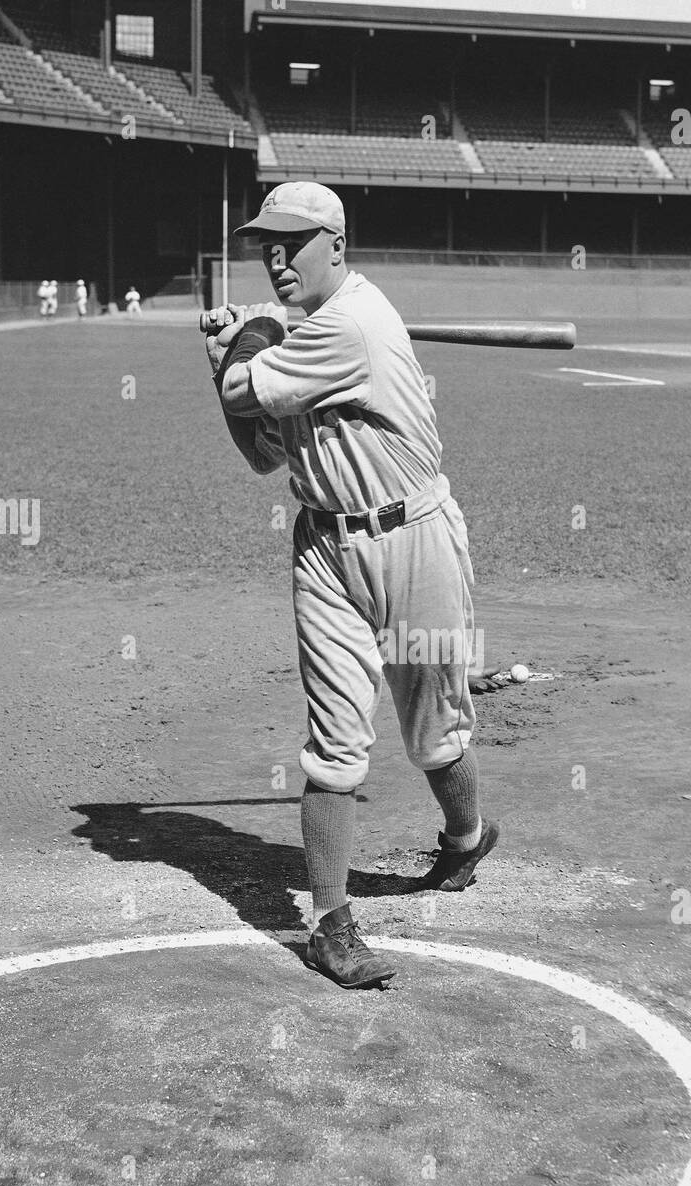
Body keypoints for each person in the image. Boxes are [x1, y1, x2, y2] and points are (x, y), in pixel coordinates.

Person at [204, 181, 497, 991]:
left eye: (291, 242)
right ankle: (332, 926)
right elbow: (263, 454)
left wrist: (240, 347)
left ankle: (467, 838)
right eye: (265, 242)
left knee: (434, 734)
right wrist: (242, 353)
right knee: (335, 746)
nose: (274, 256)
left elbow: (240, 387)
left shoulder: (349, 326)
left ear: (336, 244)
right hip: (323, 548)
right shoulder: (308, 337)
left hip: (414, 542)